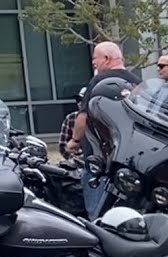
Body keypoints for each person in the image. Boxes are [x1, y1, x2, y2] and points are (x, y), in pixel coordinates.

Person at [65, 41, 140, 219]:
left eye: (95, 58)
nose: (93, 63)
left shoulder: (98, 82)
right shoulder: (136, 83)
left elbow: (83, 116)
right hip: (128, 161)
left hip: (98, 160)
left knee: (97, 213)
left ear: (106, 58)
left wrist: (74, 141)